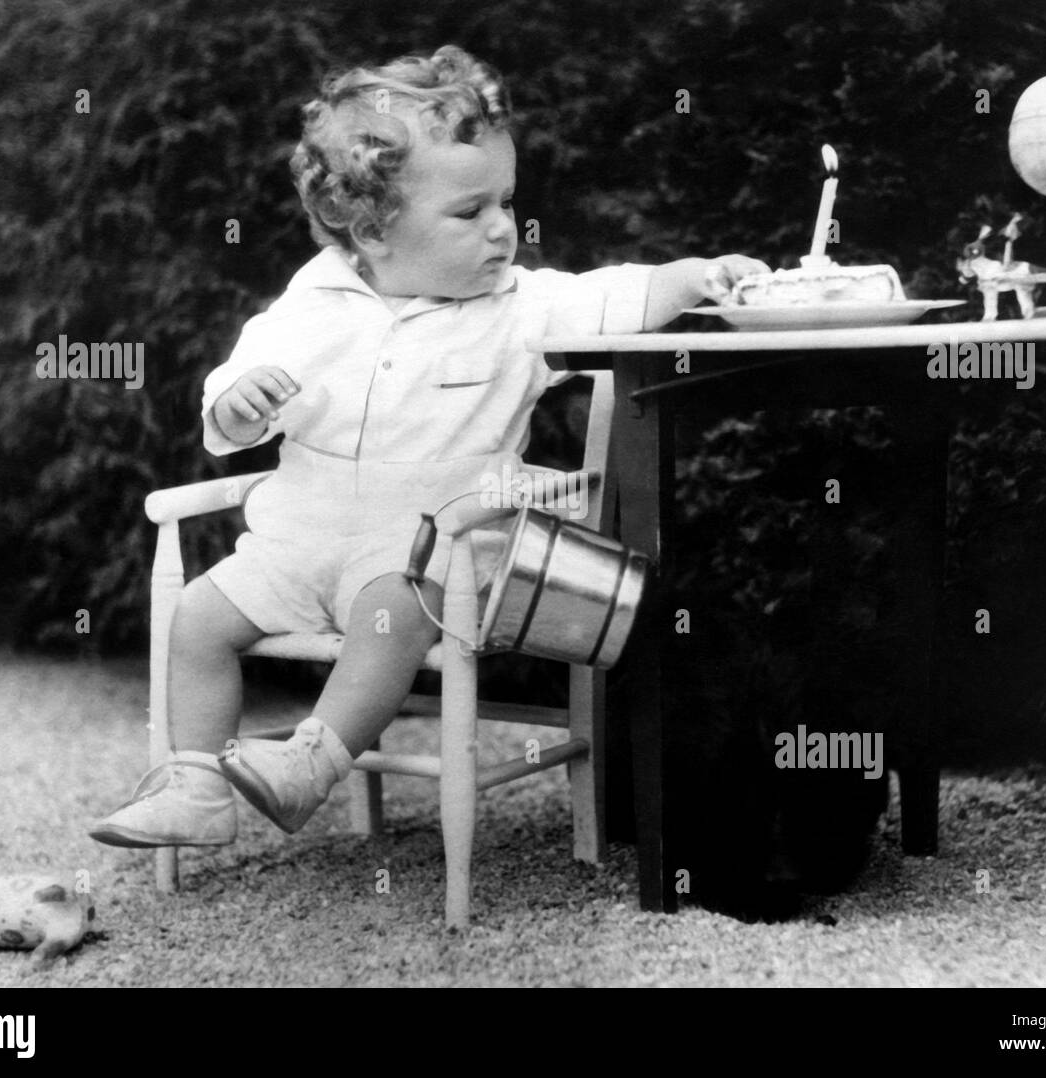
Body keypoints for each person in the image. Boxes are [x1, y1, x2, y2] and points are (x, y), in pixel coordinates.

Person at [89, 44, 765, 848]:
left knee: (391, 613)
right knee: (199, 617)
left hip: (433, 553)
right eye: (469, 212)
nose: (502, 230)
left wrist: (690, 276)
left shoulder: (520, 310)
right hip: (298, 538)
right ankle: (195, 785)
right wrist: (240, 405)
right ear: (370, 229)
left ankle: (315, 758)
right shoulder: (316, 299)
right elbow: (237, 390)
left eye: (506, 203)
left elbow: (613, 295)